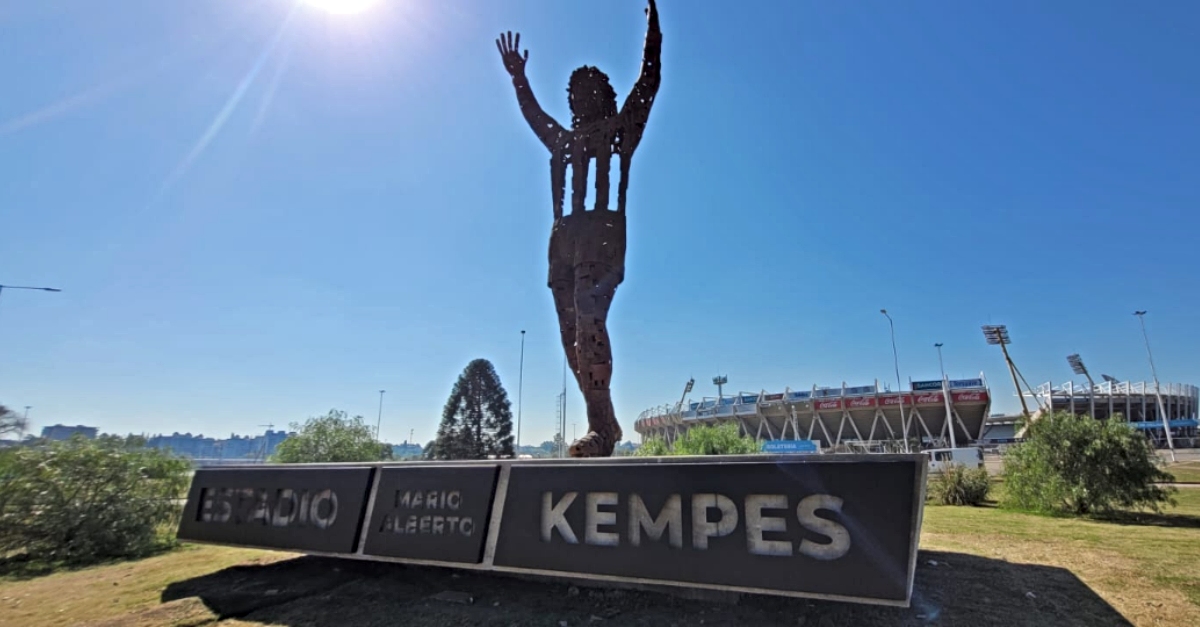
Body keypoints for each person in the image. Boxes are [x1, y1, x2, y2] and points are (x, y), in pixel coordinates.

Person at [496, 1, 662, 457]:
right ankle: (605, 422)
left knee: (589, 325)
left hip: (602, 238)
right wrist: (519, 78)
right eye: (575, 91)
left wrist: (654, 33)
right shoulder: (564, 142)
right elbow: (535, 118)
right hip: (562, 243)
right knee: (573, 339)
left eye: (589, 89)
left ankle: (600, 429)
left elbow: (649, 78)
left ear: (604, 95)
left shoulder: (619, 131)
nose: (580, 96)